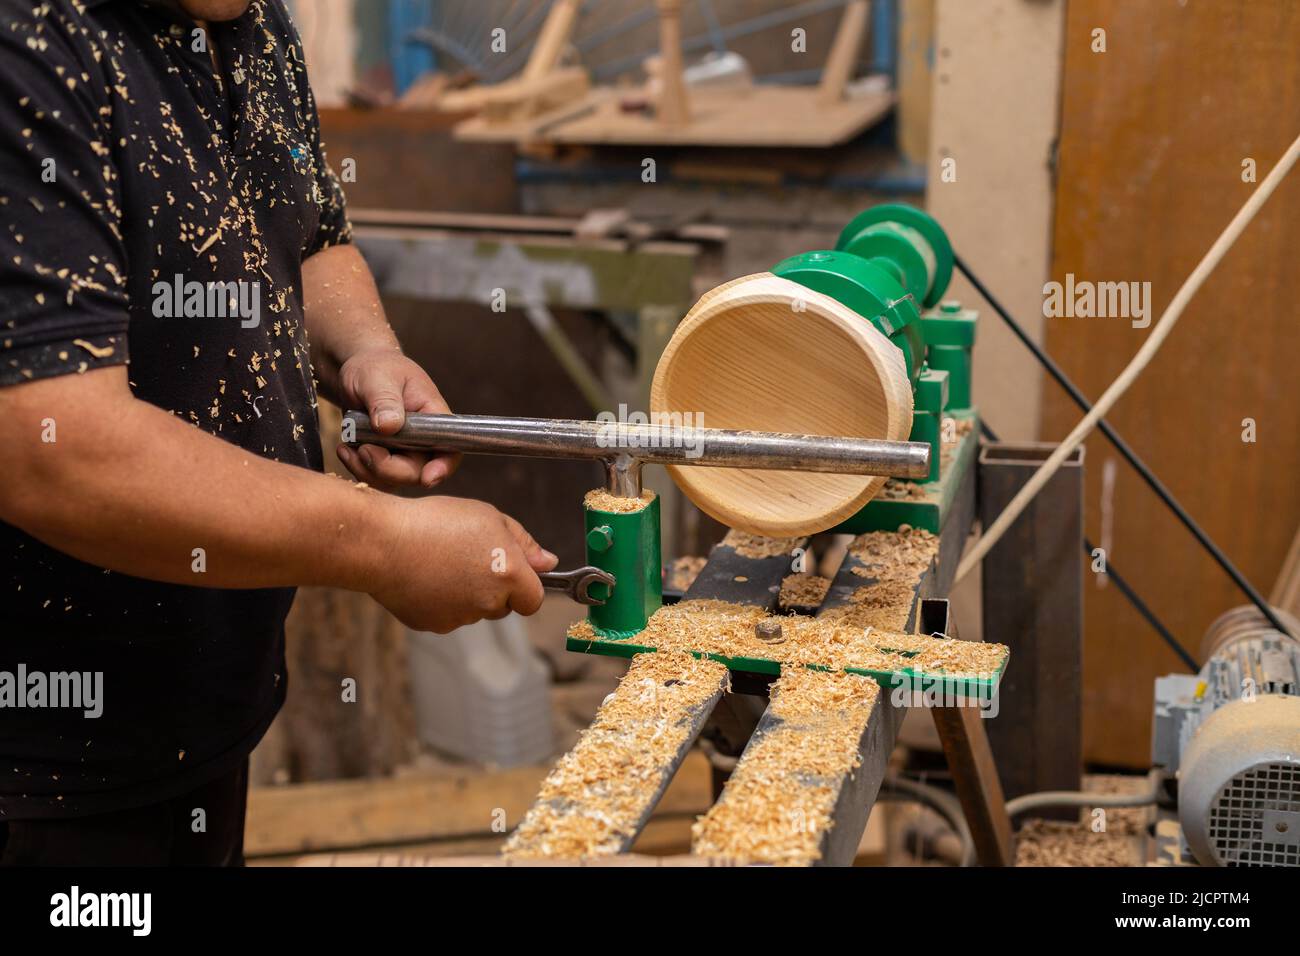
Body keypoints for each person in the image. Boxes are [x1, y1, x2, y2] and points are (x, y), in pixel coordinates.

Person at [0, 0, 557, 865]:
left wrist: (366, 350)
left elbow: (308, 238)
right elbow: (52, 448)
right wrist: (381, 543)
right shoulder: (27, 41)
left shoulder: (246, 18)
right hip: (42, 761)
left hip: (204, 706)